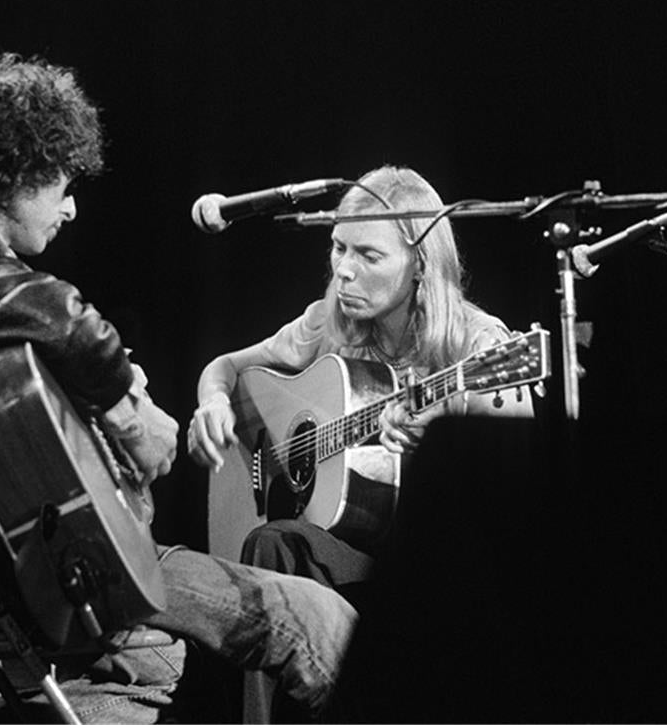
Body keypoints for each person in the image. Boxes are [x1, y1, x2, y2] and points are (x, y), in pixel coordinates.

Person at [0, 53, 354, 724]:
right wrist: (129, 411)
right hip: (16, 567)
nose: (70, 208)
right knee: (317, 621)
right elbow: (61, 317)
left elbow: (12, 408)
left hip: (23, 558)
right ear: (13, 172)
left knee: (143, 662)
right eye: (59, 183)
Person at [186, 165, 535, 720]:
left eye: (368, 256)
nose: (344, 271)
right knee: (273, 543)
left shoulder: (479, 343)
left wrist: (436, 446)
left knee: (276, 546)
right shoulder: (328, 322)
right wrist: (213, 403)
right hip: (346, 550)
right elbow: (225, 368)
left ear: (420, 265)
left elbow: (517, 494)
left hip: (430, 571)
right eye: (337, 248)